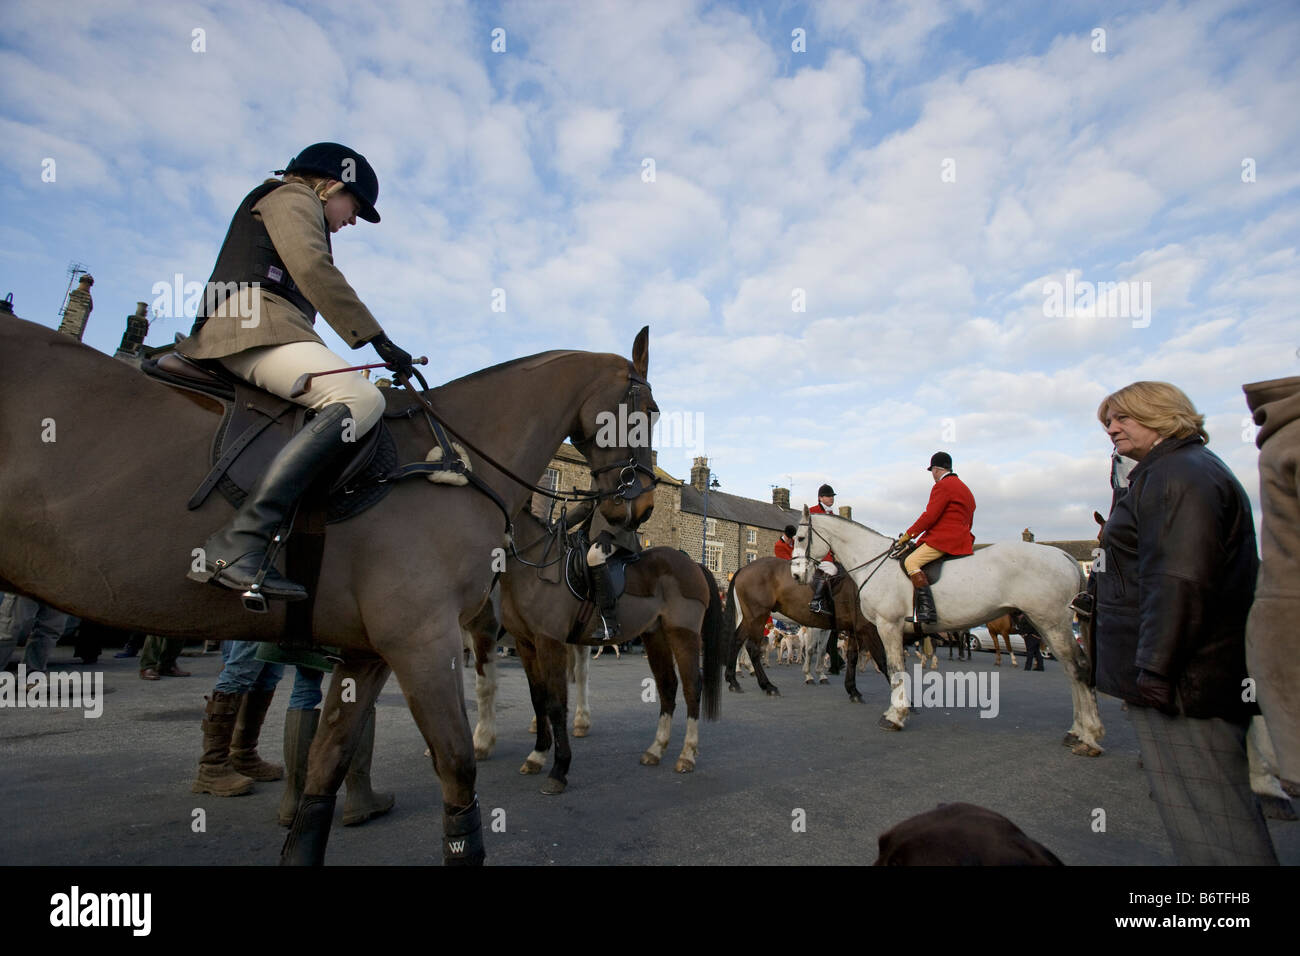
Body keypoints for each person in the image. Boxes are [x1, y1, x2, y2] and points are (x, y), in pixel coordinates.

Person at [178, 143, 416, 602]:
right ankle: (241, 539)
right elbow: (313, 267)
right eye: (355, 206)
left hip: (268, 326)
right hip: (250, 323)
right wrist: (378, 338)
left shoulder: (300, 203)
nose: (351, 220)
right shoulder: (291, 197)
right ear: (330, 186)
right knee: (360, 399)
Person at [1094, 381, 1277, 865]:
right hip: (1190, 672)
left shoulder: (1174, 475)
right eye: (1109, 421)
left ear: (1160, 414)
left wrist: (1155, 669)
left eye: (1123, 418)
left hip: (1184, 680)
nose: (1112, 428)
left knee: (1210, 825)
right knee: (1209, 815)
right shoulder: (1176, 469)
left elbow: (1178, 581)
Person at [895, 453, 975, 626]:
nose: (932, 475)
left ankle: (926, 610)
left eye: (932, 470)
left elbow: (930, 516)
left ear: (937, 469)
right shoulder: (965, 488)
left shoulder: (942, 486)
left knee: (911, 562)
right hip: (962, 538)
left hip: (944, 539)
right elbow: (970, 517)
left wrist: (909, 535)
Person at [807, 485, 838, 614]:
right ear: (820, 498)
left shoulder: (831, 514)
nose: (831, 498)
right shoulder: (812, 511)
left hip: (830, 553)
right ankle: (816, 601)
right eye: (828, 496)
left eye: (832, 496)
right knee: (831, 569)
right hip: (817, 553)